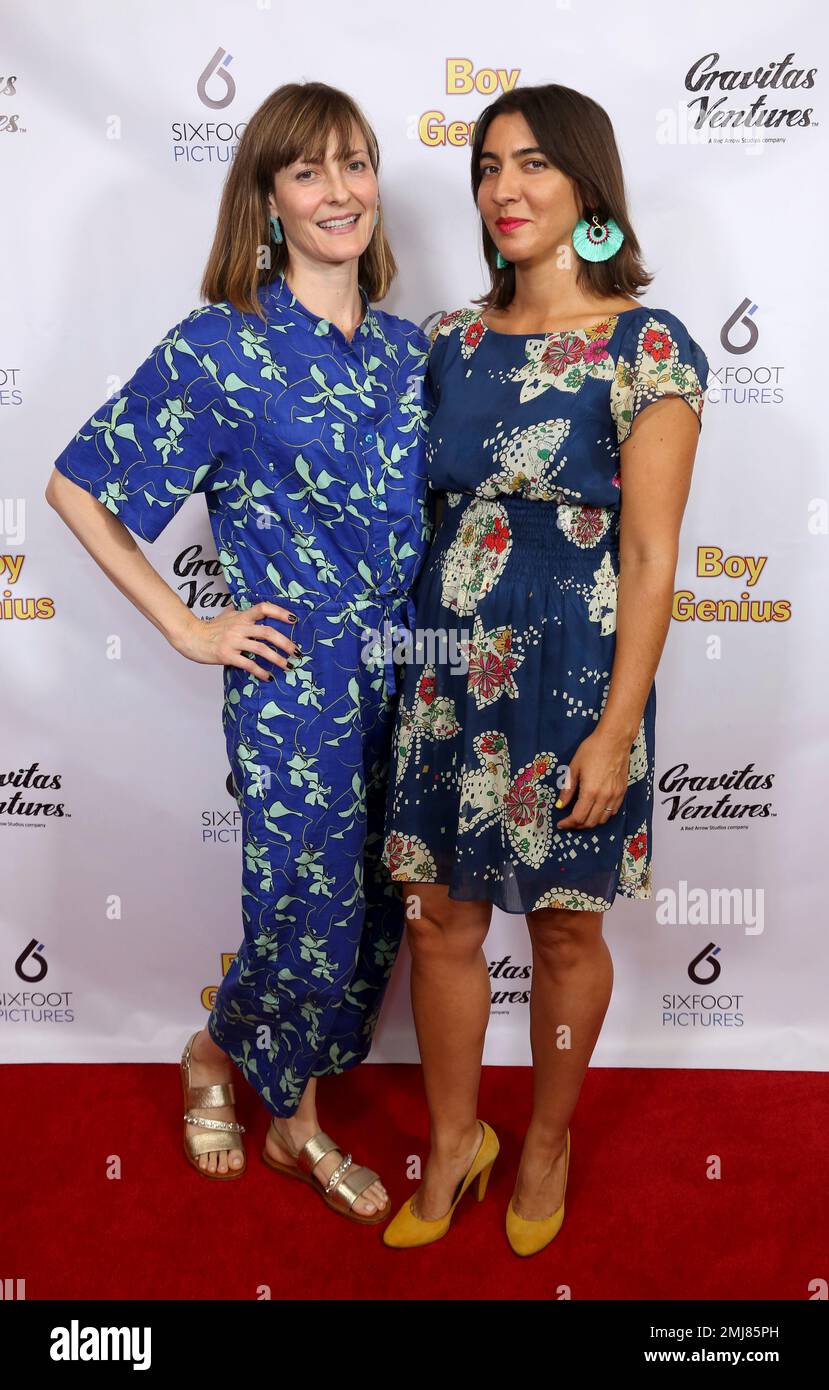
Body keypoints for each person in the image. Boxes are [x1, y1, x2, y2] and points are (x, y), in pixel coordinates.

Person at [46, 82, 433, 1224]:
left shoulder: (412, 352)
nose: (339, 191)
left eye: (355, 165)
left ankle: (213, 1053)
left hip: (408, 676)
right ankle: (296, 1131)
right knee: (302, 913)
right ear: (266, 198)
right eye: (308, 171)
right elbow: (78, 485)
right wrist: (186, 623)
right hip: (291, 683)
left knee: (374, 917)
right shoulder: (221, 345)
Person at [380, 83, 710, 1253]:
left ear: (586, 182)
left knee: (565, 928)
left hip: (575, 677)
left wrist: (615, 729)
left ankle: (548, 1139)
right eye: (486, 168)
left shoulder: (646, 343)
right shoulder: (446, 342)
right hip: (447, 671)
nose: (503, 190)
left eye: (529, 165)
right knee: (436, 921)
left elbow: (650, 553)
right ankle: (454, 1134)